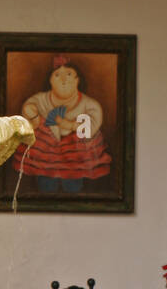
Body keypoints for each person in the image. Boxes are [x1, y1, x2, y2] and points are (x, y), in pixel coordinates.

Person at [16, 56, 112, 195]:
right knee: (46, 183)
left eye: (69, 74)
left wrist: (68, 124)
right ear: (50, 81)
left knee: (73, 184)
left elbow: (92, 123)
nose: (63, 80)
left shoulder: (88, 104)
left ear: (77, 80)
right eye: (57, 75)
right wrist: (33, 115)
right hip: (45, 152)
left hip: (76, 153)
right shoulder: (42, 99)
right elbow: (28, 108)